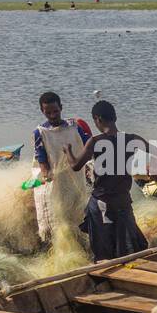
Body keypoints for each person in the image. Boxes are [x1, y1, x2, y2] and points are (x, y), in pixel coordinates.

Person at [64, 100, 157, 260]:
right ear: (114, 117)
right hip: (123, 201)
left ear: (97, 119)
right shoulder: (132, 139)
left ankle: (105, 277)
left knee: (104, 249)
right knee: (130, 245)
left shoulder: (95, 142)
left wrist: (68, 151)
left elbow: (75, 166)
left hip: (103, 203)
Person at [30, 91, 93, 243]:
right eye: (48, 112)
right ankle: (60, 243)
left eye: (55, 111)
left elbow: (87, 145)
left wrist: (90, 165)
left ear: (61, 108)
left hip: (76, 178)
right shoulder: (40, 132)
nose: (52, 115)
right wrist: (46, 174)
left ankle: (81, 241)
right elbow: (41, 157)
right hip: (56, 182)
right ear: (42, 111)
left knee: (78, 211)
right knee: (59, 216)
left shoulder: (74, 127)